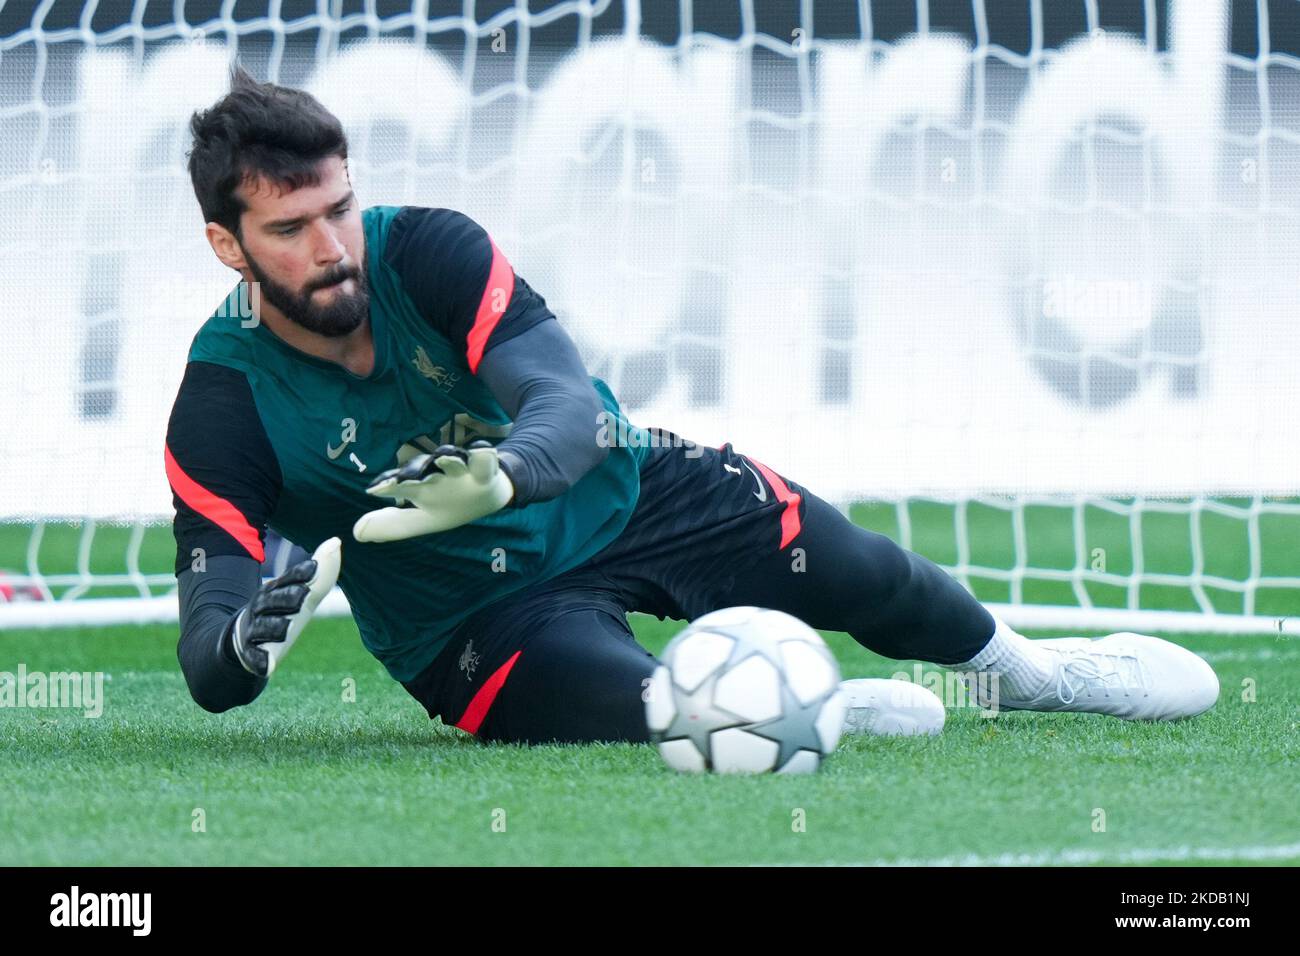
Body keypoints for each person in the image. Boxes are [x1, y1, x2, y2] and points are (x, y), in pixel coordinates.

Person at [166, 65, 1219, 746]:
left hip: (632, 491)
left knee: (862, 569)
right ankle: (814, 708)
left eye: (340, 207)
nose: (333, 244)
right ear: (229, 245)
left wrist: (506, 473)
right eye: (294, 227)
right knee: (645, 705)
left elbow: (567, 408)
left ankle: (1027, 673)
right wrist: (241, 643)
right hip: (473, 620)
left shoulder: (431, 247)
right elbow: (211, 650)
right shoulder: (221, 403)